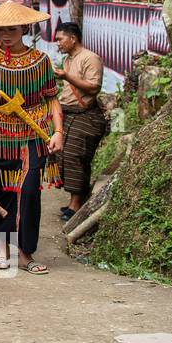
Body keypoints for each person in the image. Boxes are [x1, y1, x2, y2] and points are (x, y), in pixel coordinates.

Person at [0, 1, 64, 274]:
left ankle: (25, 254)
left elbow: (52, 99)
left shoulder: (41, 61)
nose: (5, 35)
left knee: (29, 191)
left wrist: (58, 131)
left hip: (33, 135)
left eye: (12, 29)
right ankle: (1, 249)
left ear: (24, 27)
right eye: (0, 30)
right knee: (1, 192)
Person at [54, 22, 105, 220]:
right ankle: (73, 200)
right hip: (68, 114)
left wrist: (66, 76)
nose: (57, 43)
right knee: (63, 156)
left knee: (76, 156)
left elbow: (93, 88)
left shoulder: (90, 58)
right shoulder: (68, 60)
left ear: (72, 38)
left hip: (86, 115)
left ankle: (76, 203)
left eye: (60, 39)